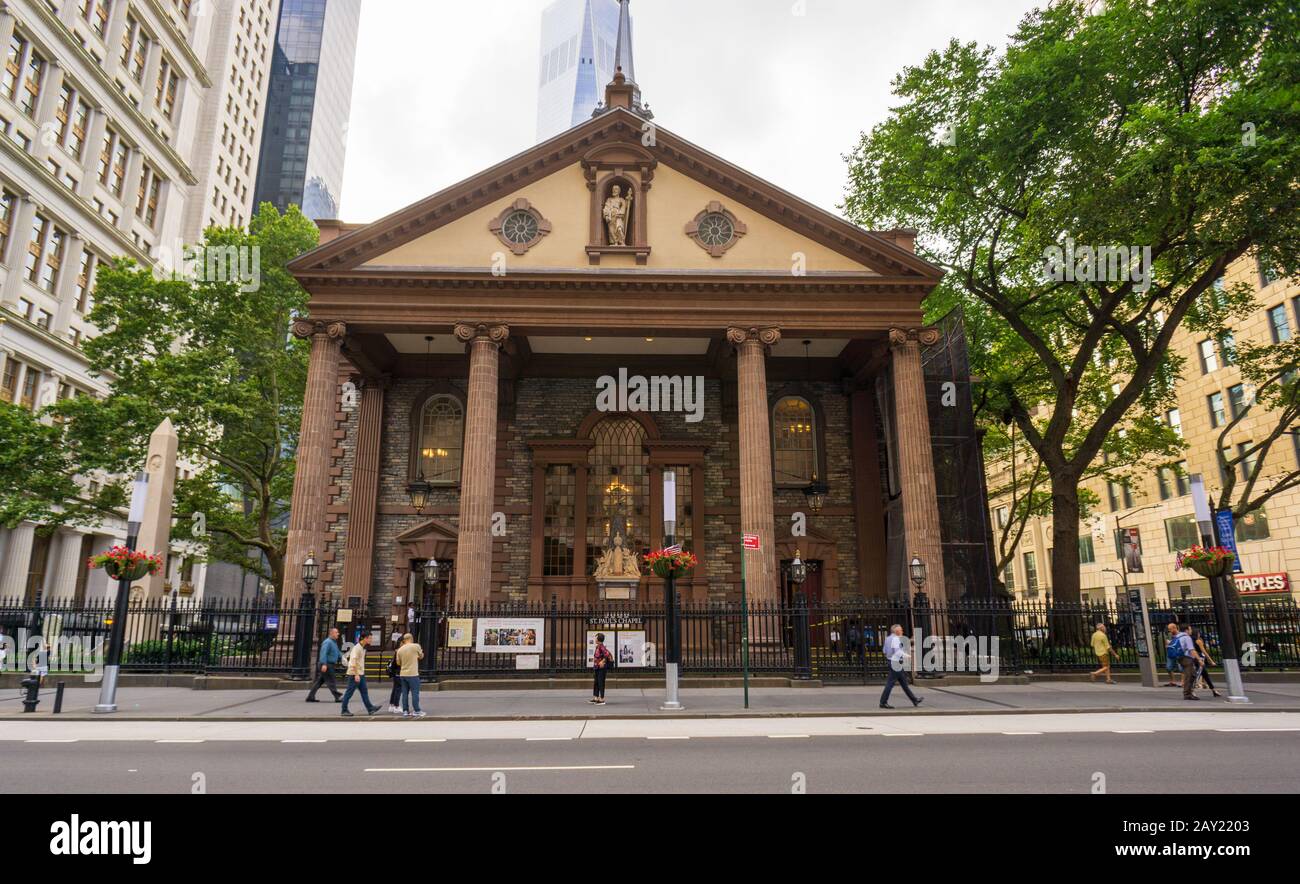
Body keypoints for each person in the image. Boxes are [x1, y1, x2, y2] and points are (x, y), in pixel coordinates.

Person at [879, 624, 923, 709]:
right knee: (890, 683)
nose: (902, 631)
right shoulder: (895, 639)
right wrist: (908, 656)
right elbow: (898, 652)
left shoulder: (888, 638)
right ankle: (883, 702)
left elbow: (884, 650)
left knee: (904, 683)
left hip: (891, 661)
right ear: (897, 631)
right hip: (896, 663)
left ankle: (914, 700)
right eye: (901, 630)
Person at [340, 633, 380, 717]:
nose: (371, 640)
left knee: (364, 692)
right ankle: (344, 710)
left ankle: (370, 708)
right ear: (365, 639)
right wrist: (356, 674)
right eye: (370, 638)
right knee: (349, 693)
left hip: (360, 674)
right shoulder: (357, 648)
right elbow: (353, 662)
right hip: (354, 674)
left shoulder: (361, 648)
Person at [1165, 622, 1201, 701]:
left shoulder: (1177, 636)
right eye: (1190, 629)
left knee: (1193, 675)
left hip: (1181, 658)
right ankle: (1187, 694)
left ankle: (1189, 692)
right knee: (1189, 676)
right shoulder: (1186, 637)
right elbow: (1192, 650)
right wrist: (1199, 659)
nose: (1191, 630)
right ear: (1187, 630)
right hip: (1186, 658)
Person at [306, 627, 343, 703]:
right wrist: (324, 664)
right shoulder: (328, 642)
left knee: (319, 682)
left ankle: (310, 696)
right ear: (332, 633)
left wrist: (343, 657)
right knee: (331, 681)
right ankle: (337, 696)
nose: (338, 634)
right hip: (327, 665)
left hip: (328, 664)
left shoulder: (333, 642)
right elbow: (323, 653)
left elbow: (337, 652)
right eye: (336, 632)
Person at [395, 632, 426, 718]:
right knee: (415, 693)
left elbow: (398, 663)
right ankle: (416, 710)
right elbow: (421, 656)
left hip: (403, 674)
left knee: (405, 693)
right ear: (411, 639)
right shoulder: (416, 646)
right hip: (413, 674)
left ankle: (405, 711)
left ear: (404, 640)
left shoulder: (400, 650)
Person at [1190, 626, 1222, 698]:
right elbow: (1204, 651)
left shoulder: (1191, 640)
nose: (1199, 634)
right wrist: (1211, 661)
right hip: (1200, 659)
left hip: (1195, 658)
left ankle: (1214, 690)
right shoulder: (1198, 641)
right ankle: (1192, 691)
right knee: (1198, 676)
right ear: (1197, 633)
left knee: (1205, 675)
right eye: (1199, 633)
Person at [590, 633, 612, 705]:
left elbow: (607, 655)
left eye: (596, 638)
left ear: (598, 639)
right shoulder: (597, 647)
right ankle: (596, 697)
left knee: (601, 683)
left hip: (602, 668)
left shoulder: (602, 647)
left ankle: (602, 699)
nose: (595, 639)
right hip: (597, 667)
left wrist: (602, 661)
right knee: (596, 682)